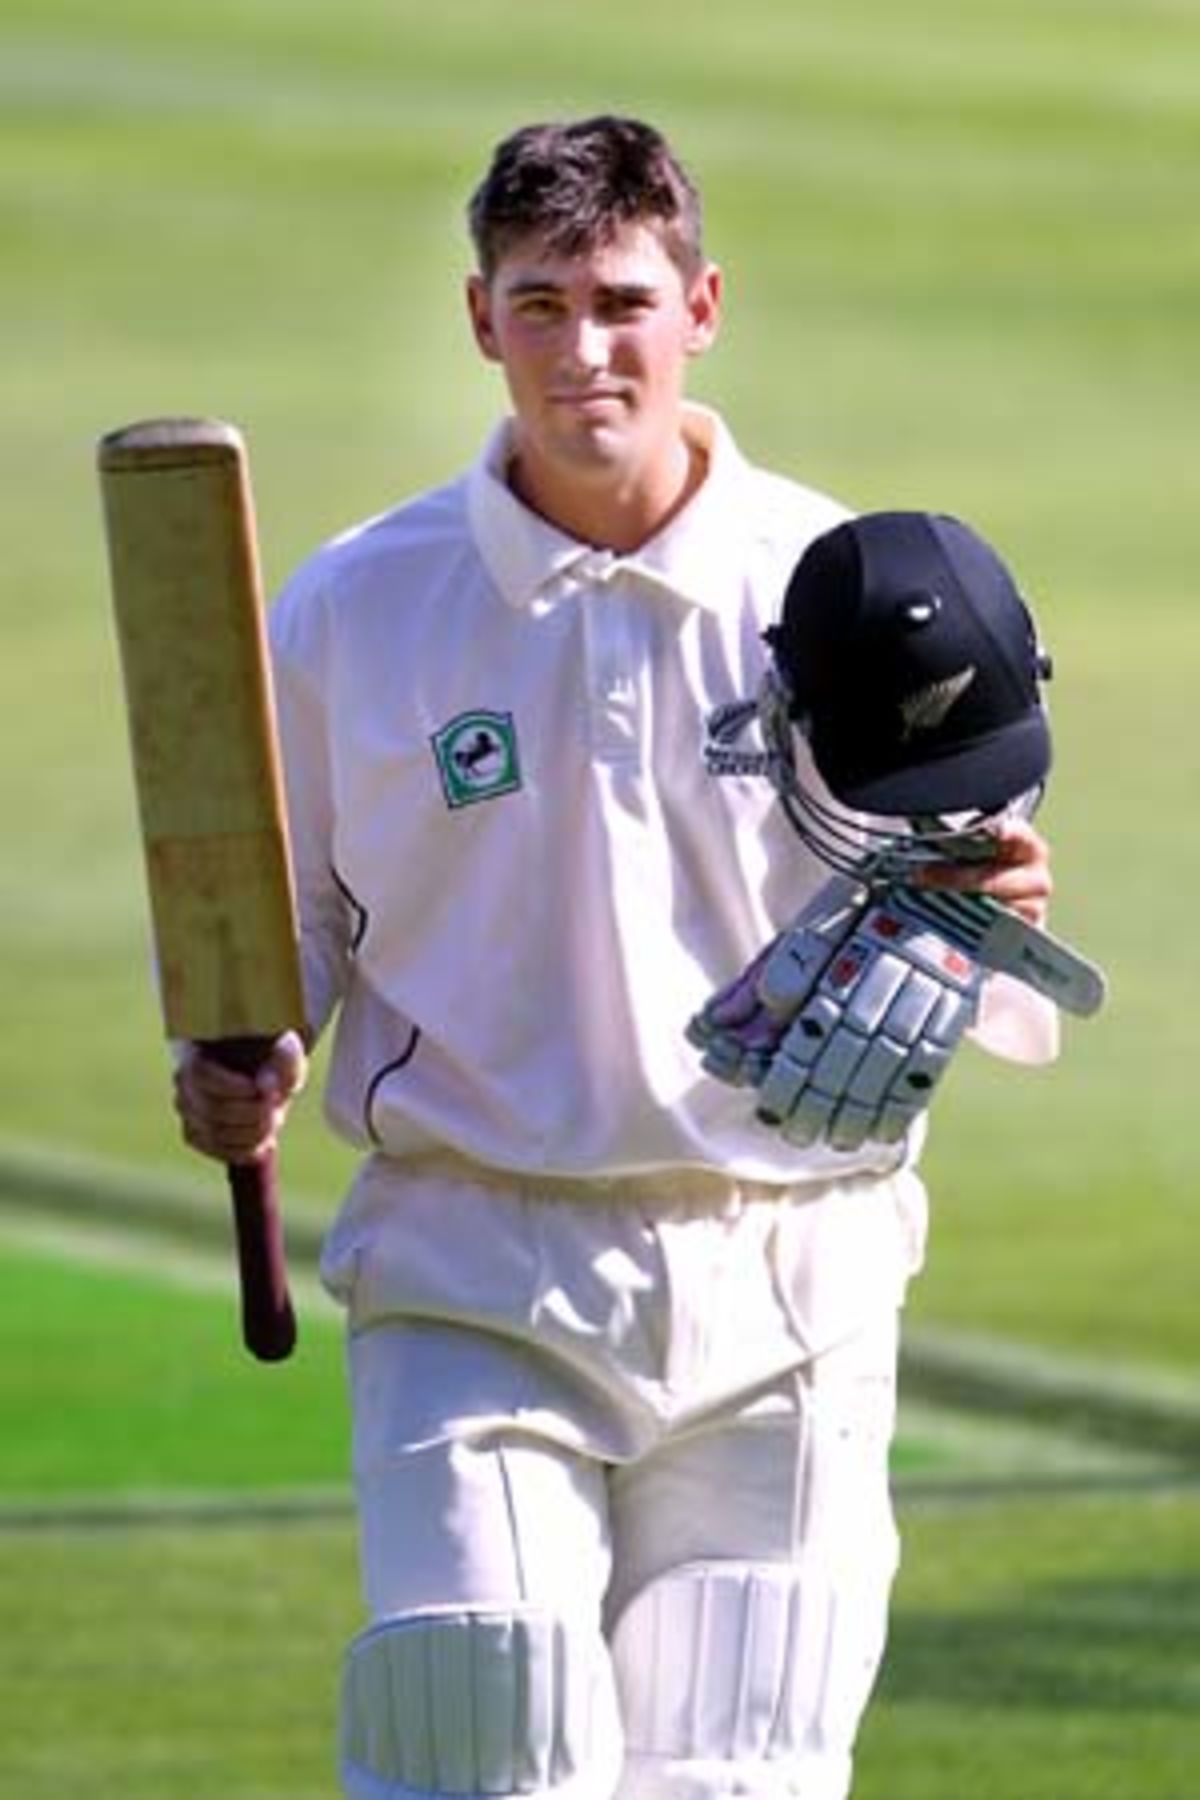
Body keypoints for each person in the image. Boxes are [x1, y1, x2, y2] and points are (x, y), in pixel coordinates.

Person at [175, 116, 1056, 1800]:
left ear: (702, 308)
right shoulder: (359, 607)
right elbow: (287, 923)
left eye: (623, 302)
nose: (585, 349)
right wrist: (243, 1055)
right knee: (484, 1756)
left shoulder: (839, 587)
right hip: (473, 1266)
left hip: (792, 1269)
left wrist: (992, 904)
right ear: (479, 318)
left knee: (740, 1774)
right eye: (541, 304)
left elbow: (962, 912)